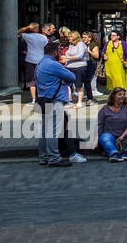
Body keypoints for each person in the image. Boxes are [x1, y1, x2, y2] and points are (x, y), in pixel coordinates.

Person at [34, 39, 76, 168]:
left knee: (44, 131)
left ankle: (43, 157)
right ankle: (54, 157)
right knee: (53, 131)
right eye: (59, 50)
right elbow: (72, 77)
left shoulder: (40, 63)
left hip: (43, 99)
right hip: (54, 100)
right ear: (54, 52)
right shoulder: (53, 65)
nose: (60, 53)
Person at [96, 88, 127, 161]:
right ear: (114, 96)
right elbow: (99, 124)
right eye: (120, 94)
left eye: (123, 94)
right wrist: (98, 137)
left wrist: (123, 136)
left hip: (124, 134)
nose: (122, 96)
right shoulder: (105, 109)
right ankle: (114, 154)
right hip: (109, 134)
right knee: (104, 138)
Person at [63, 31, 90, 112]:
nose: (68, 38)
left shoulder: (81, 44)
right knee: (67, 85)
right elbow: (68, 54)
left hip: (79, 67)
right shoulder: (71, 45)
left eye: (70, 37)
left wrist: (67, 58)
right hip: (69, 67)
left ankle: (79, 102)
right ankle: (69, 101)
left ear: (74, 37)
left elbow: (80, 55)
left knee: (79, 85)